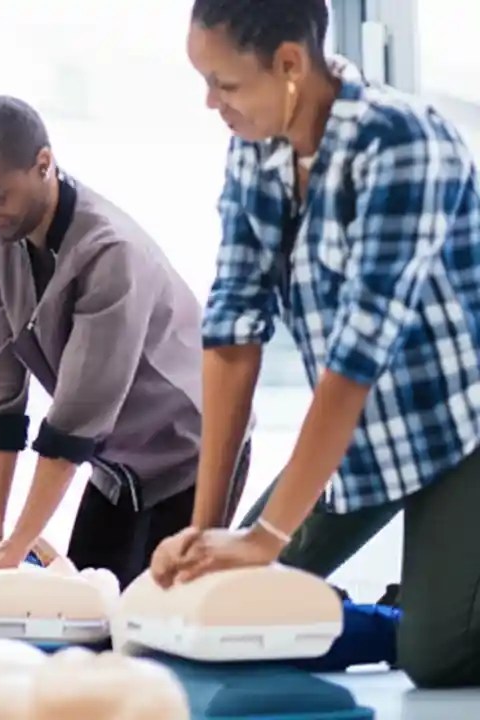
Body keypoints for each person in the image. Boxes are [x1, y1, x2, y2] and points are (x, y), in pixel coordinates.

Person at [151, 0, 480, 688]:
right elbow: (233, 335)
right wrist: (203, 531)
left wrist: (265, 537)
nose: (211, 103)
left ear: (291, 65)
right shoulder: (255, 149)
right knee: (221, 609)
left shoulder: (406, 143)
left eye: (226, 84)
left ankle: (428, 616)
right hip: (366, 437)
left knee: (437, 657)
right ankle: (418, 603)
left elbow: (355, 363)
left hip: (461, 425)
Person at [0, 96, 251, 588]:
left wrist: (13, 550)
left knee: (156, 621)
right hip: (117, 464)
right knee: (86, 612)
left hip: (193, 453)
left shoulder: (110, 252)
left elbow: (75, 418)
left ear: (44, 164)